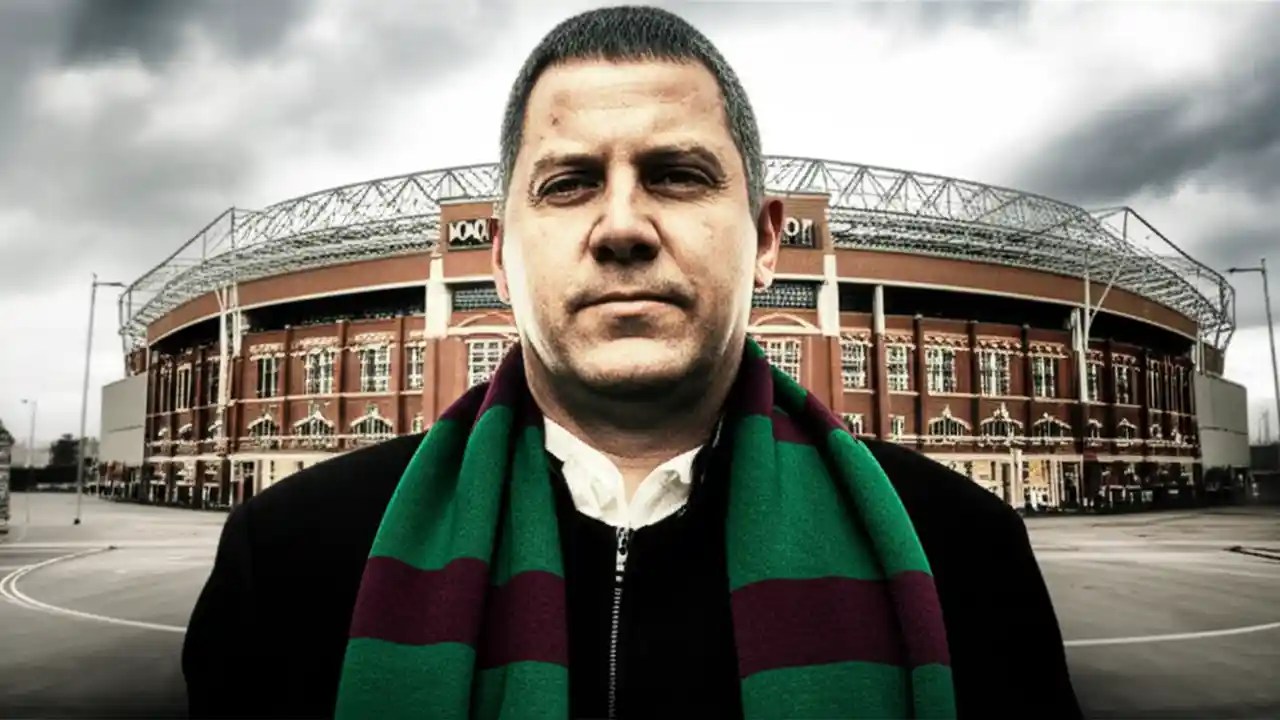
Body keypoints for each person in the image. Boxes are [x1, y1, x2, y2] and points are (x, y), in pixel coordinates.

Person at [182, 6, 1082, 719]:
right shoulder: (295, 562)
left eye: (678, 176)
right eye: (568, 184)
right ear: (498, 256)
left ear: (768, 243)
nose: (621, 228)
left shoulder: (964, 555)